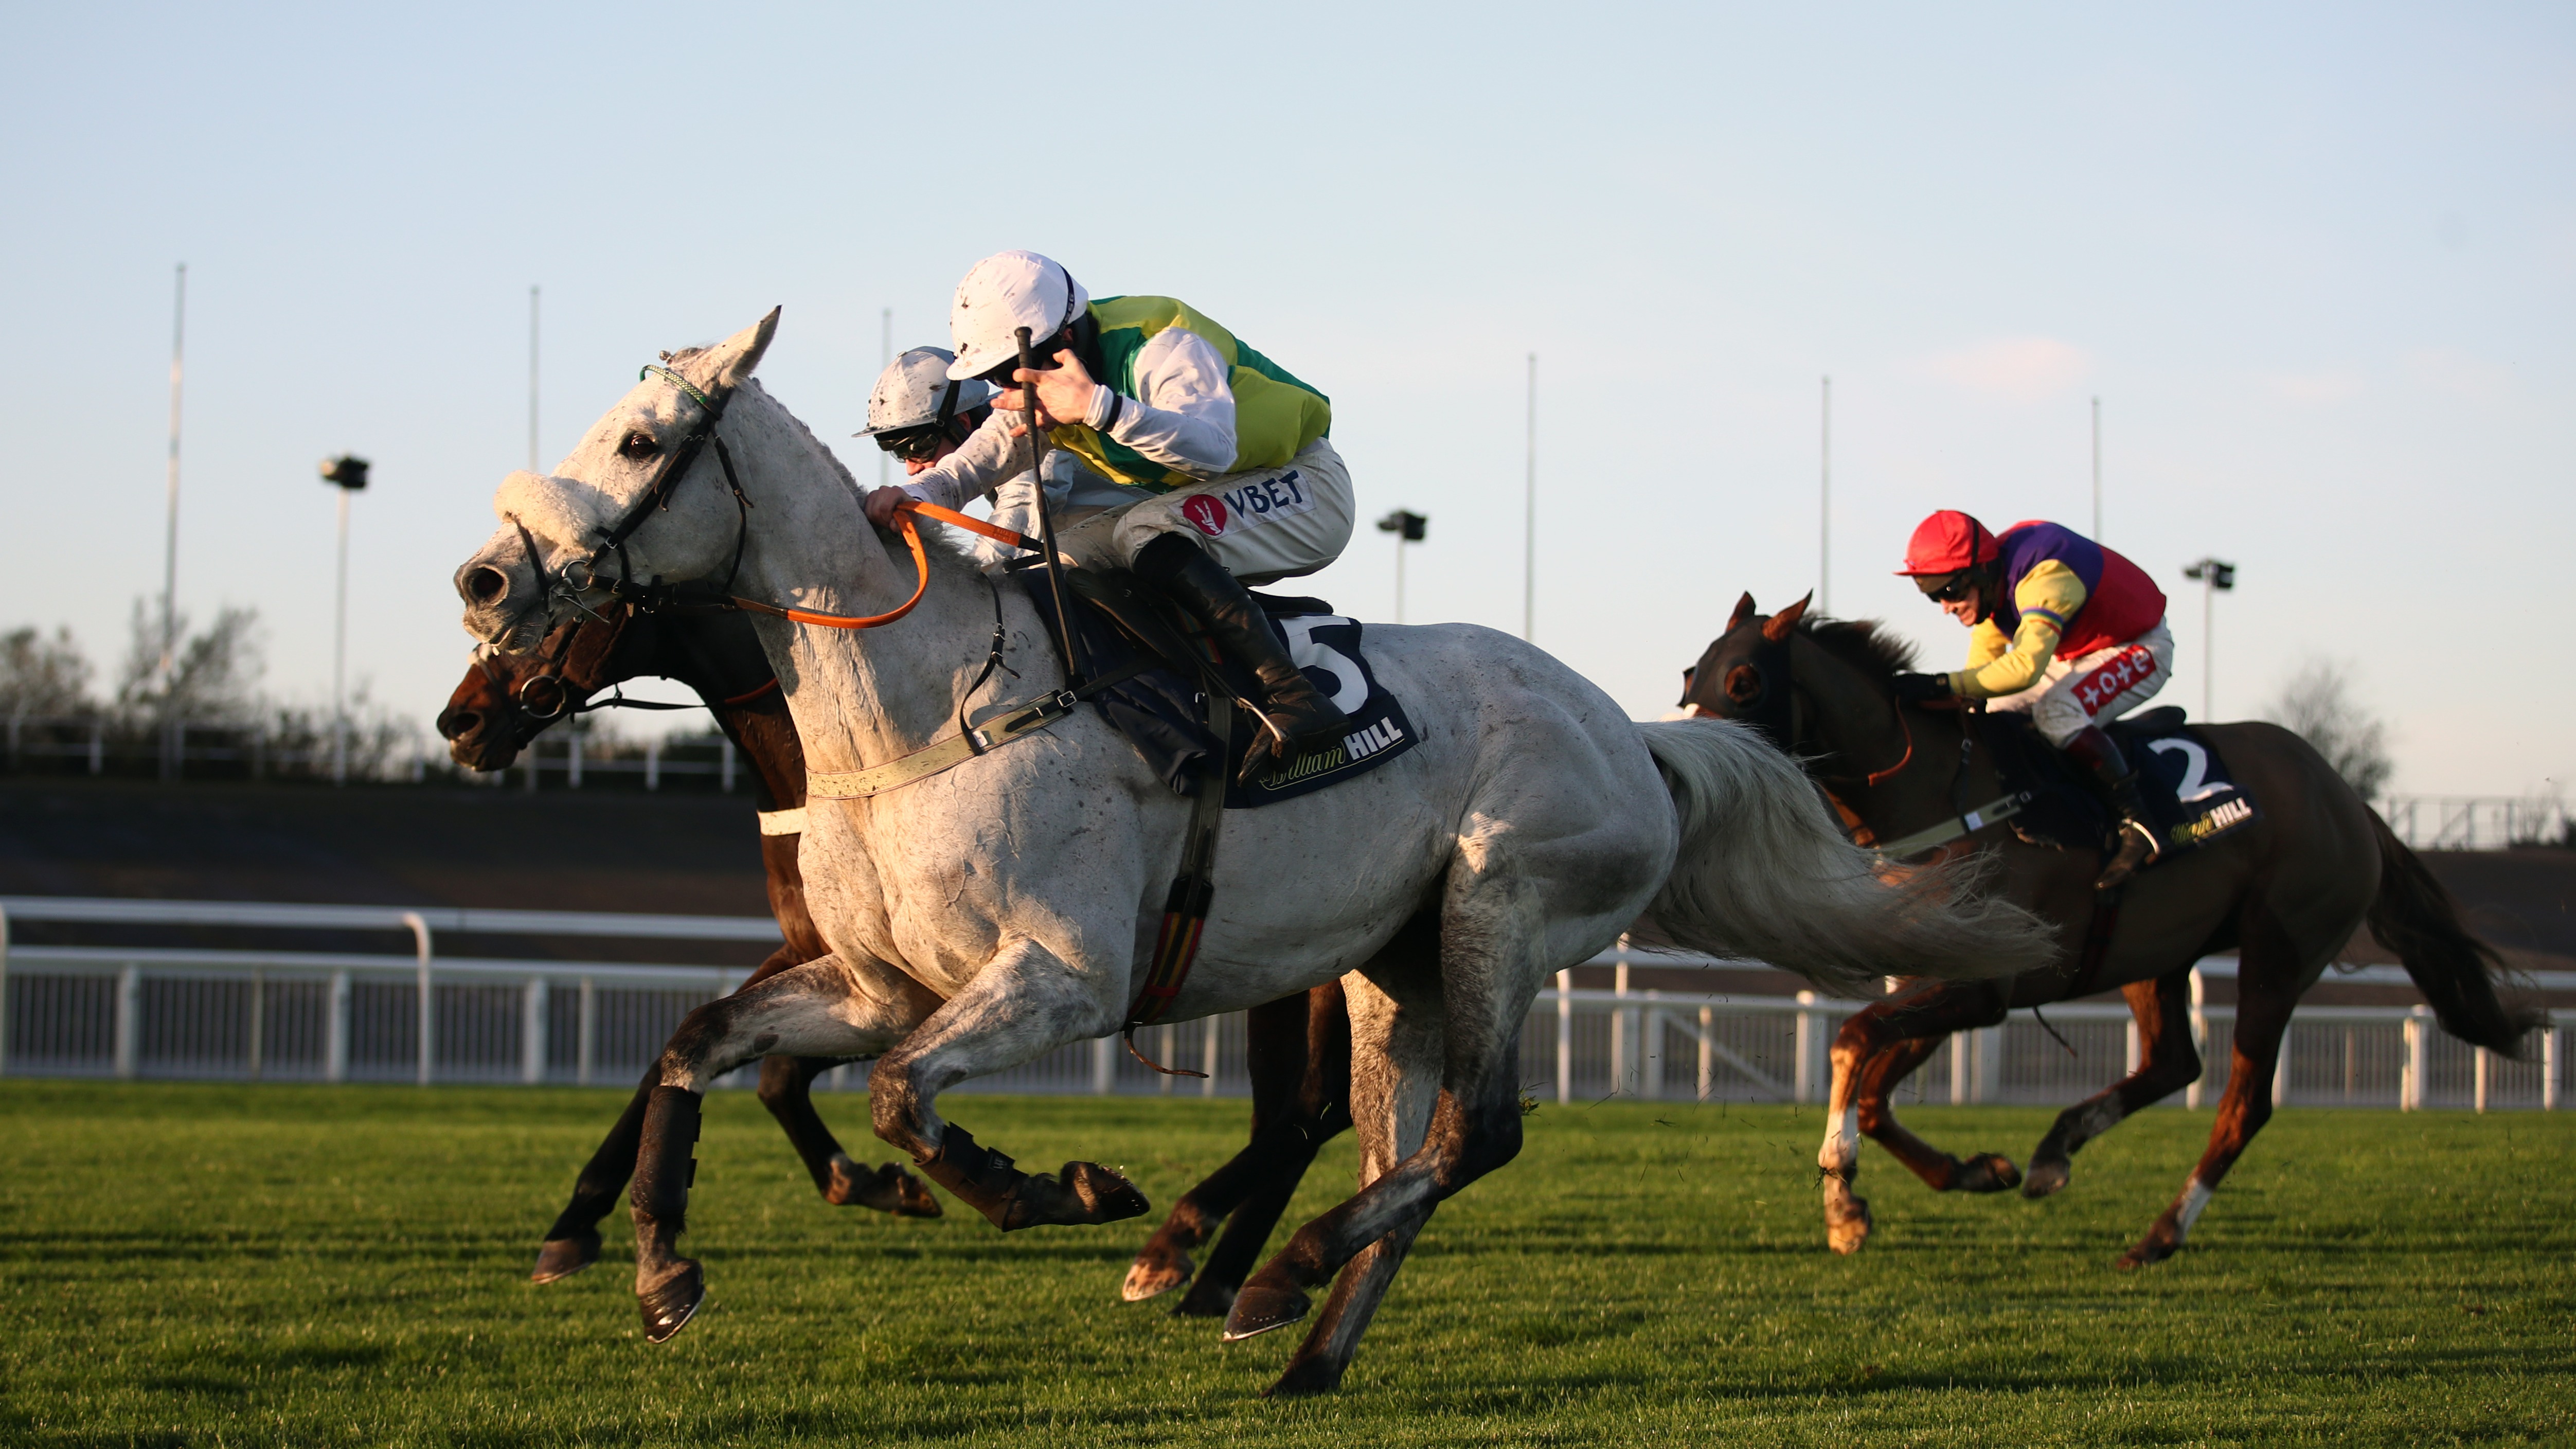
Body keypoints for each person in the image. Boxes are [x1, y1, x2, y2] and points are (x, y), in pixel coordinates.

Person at [862, 251, 1354, 765]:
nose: (1006, 390)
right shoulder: (1047, 378)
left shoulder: (1163, 347)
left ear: (1065, 340)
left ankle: (1293, 695)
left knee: (1144, 528)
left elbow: (1215, 449)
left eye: (1008, 372)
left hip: (1308, 487)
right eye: (994, 376)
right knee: (1060, 563)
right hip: (1222, 497)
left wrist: (1100, 407)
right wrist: (919, 496)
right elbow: (982, 460)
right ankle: (1179, 702)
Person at [1889, 510, 2174, 890]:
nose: (1946, 605)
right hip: (2076, 653)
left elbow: (2024, 669)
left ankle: (2140, 822)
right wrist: (1953, 695)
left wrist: (1941, 684)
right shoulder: (1992, 583)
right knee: (1993, 710)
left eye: (1949, 591)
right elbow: (1982, 674)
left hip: (2138, 647)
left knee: (2056, 713)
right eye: (1934, 596)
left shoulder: (2045, 576)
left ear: (1981, 572)